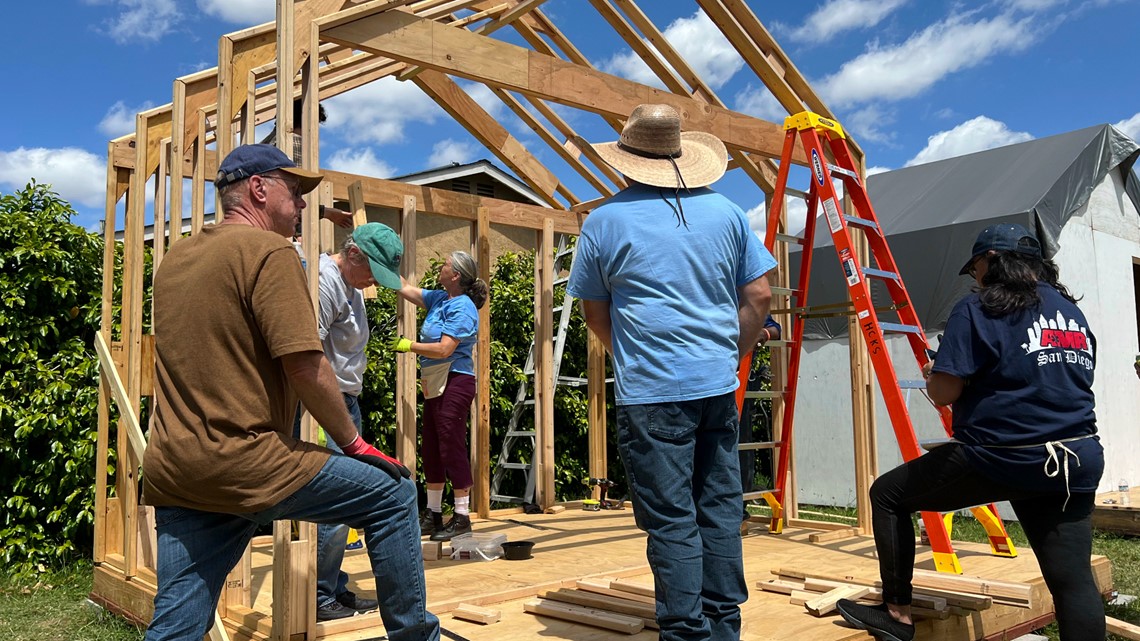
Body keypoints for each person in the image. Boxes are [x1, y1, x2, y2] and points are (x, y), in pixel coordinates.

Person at [141, 143, 439, 641]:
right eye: (295, 191)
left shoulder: (177, 257)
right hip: (247, 462)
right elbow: (305, 363)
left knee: (176, 628)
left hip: (176, 466)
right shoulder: (271, 252)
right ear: (258, 189)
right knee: (393, 493)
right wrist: (355, 445)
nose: (302, 205)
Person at [567, 103, 776, 641]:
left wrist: (633, 355)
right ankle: (723, 625)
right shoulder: (727, 213)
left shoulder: (605, 220)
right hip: (716, 386)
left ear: (626, 160)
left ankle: (686, 632)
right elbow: (759, 295)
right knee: (720, 507)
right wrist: (731, 356)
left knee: (671, 518)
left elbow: (596, 311)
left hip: (652, 394)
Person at [836, 223, 1104, 641]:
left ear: (991, 261)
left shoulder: (979, 307)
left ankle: (897, 616)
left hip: (1005, 455)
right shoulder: (1069, 310)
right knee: (1072, 583)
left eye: (975, 267)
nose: (974, 276)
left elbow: (944, 393)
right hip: (1076, 457)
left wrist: (933, 372)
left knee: (887, 495)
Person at [296, 223, 404, 621]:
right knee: (336, 496)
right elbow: (310, 354)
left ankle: (333, 587)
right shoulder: (325, 282)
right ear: (354, 253)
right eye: (374, 269)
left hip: (345, 401)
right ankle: (320, 596)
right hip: (326, 403)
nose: (375, 280)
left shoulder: (351, 285)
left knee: (345, 503)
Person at [388, 251, 488, 542]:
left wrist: (409, 345)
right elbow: (406, 288)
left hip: (455, 380)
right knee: (431, 446)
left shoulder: (463, 307)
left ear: (455, 275)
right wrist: (380, 264)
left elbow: (445, 349)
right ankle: (433, 516)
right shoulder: (440, 299)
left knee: (451, 444)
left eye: (445, 265)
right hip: (435, 381)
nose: (440, 268)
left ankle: (462, 516)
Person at [739, 315, 782, 533]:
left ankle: (739, 515)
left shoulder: (737, 294)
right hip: (704, 383)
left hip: (739, 383)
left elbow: (774, 328)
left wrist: (762, 334)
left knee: (739, 448)